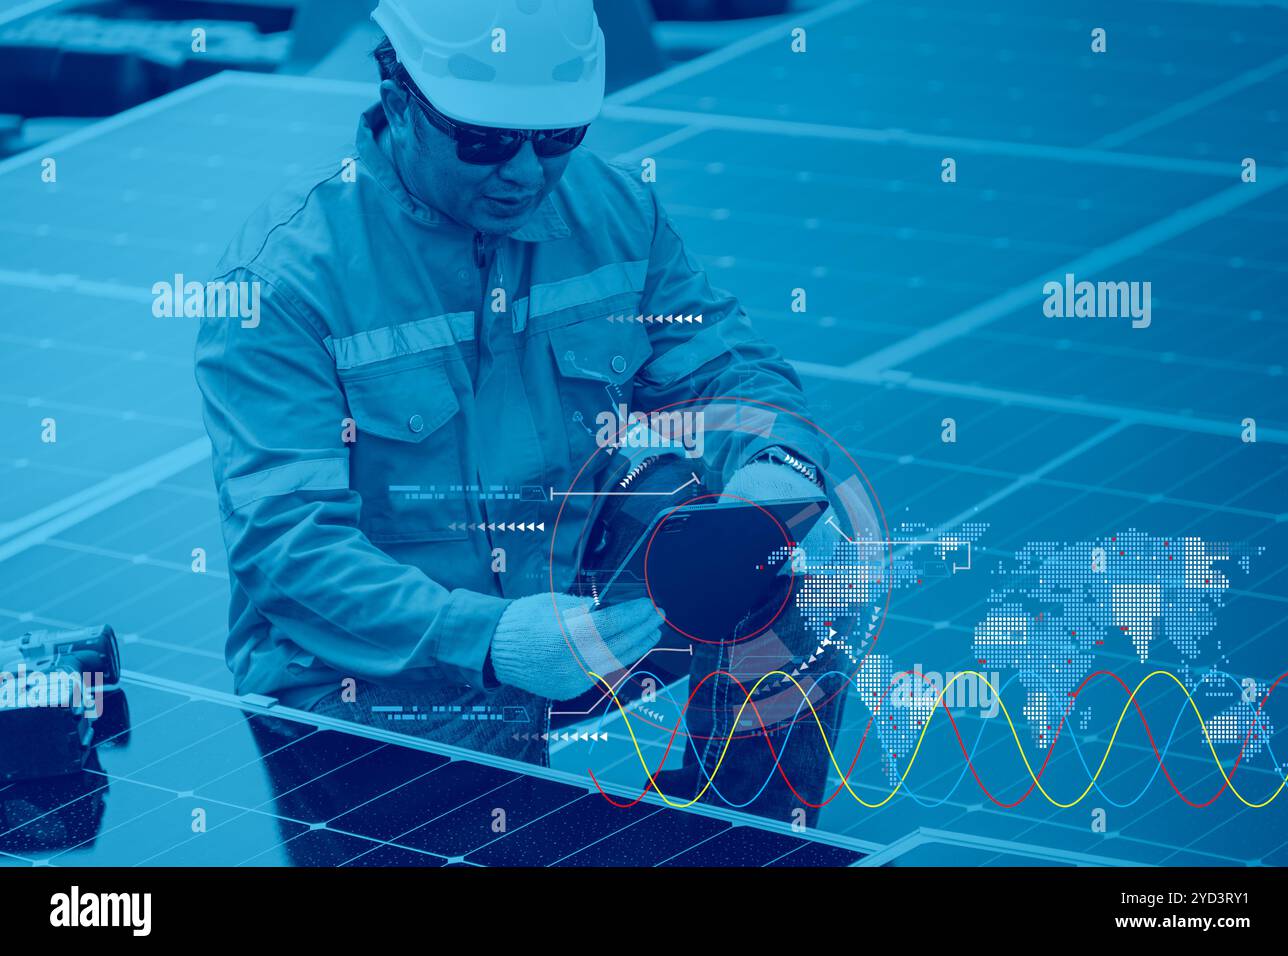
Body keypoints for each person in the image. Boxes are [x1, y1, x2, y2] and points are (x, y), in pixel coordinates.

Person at [195, 0, 851, 825]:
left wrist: (773, 468)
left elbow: (728, 372)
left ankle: (742, 839)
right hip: (372, 681)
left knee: (798, 571)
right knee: (472, 829)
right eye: (486, 140)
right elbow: (289, 547)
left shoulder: (615, 214)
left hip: (572, 623)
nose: (525, 172)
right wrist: (492, 642)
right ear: (398, 96)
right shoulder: (283, 285)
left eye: (557, 138)